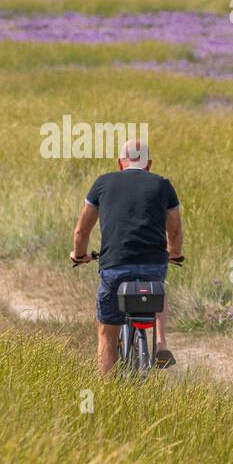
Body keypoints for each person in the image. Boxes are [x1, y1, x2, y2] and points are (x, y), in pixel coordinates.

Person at [70, 140, 183, 374]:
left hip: (115, 266)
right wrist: (175, 253)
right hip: (153, 265)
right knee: (158, 286)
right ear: (149, 164)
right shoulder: (162, 184)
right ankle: (160, 343)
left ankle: (107, 392)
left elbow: (82, 230)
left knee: (107, 333)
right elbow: (174, 229)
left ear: (120, 163)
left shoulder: (103, 183)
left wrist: (79, 254)